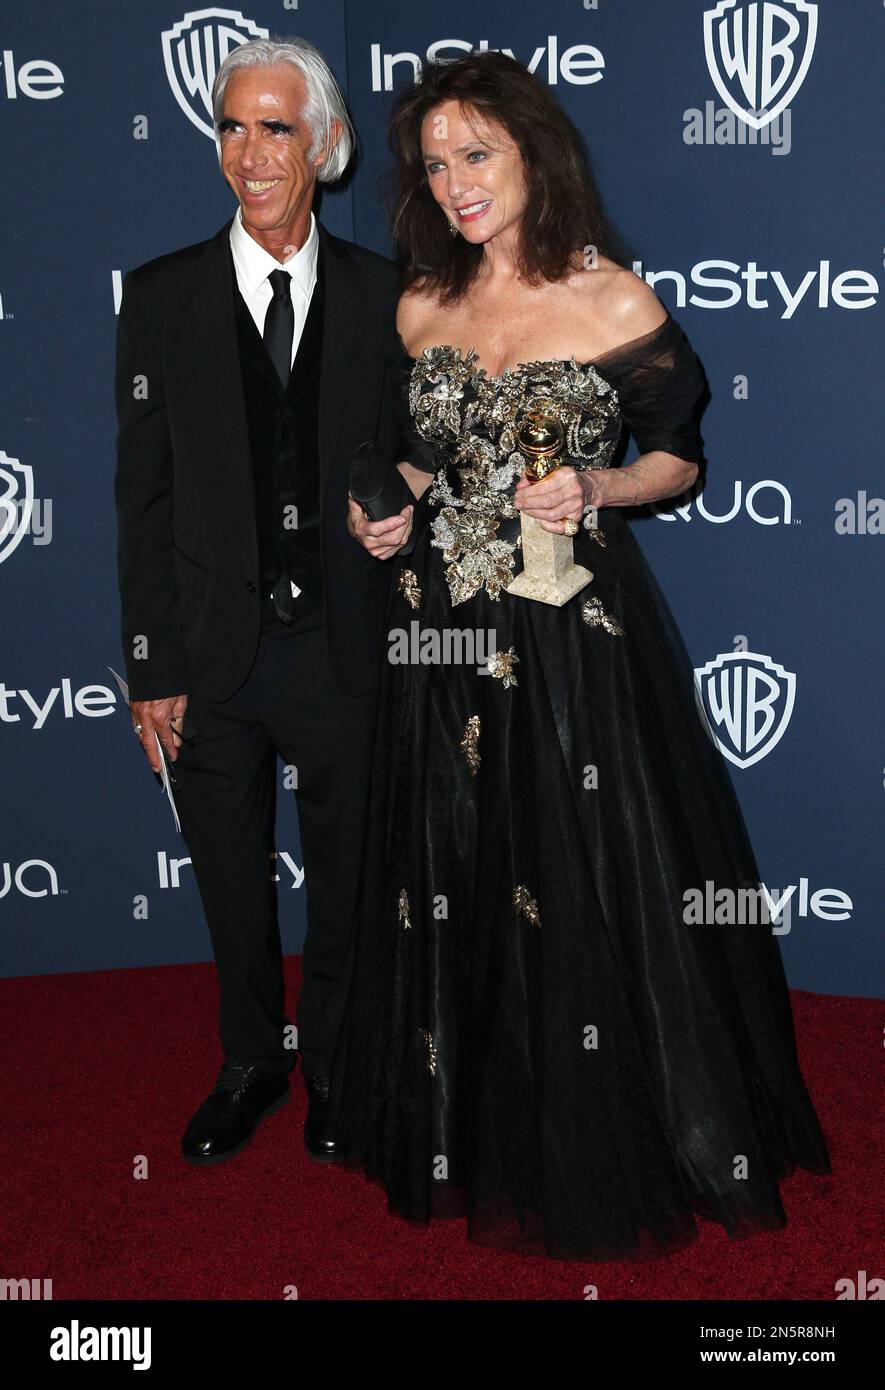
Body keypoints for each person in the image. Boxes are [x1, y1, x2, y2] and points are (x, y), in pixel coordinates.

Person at [329, 52, 831, 1260]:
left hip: (567, 644)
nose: (454, 183)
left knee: (584, 873)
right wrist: (380, 509)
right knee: (448, 867)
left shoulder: (615, 301)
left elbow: (681, 459)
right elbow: (413, 458)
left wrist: (599, 482)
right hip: (442, 636)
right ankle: (468, 1116)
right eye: (436, 163)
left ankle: (617, 1124)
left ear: (534, 154)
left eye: (477, 154)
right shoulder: (422, 302)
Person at [114, 37, 406, 1166]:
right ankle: (252, 1057)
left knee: (346, 876)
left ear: (324, 146)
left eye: (275, 128)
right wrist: (151, 666)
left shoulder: (388, 298)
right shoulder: (161, 297)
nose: (249, 153)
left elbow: (423, 459)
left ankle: (332, 1056)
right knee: (229, 875)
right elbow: (139, 497)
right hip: (210, 647)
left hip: (343, 642)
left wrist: (401, 508)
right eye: (232, 127)